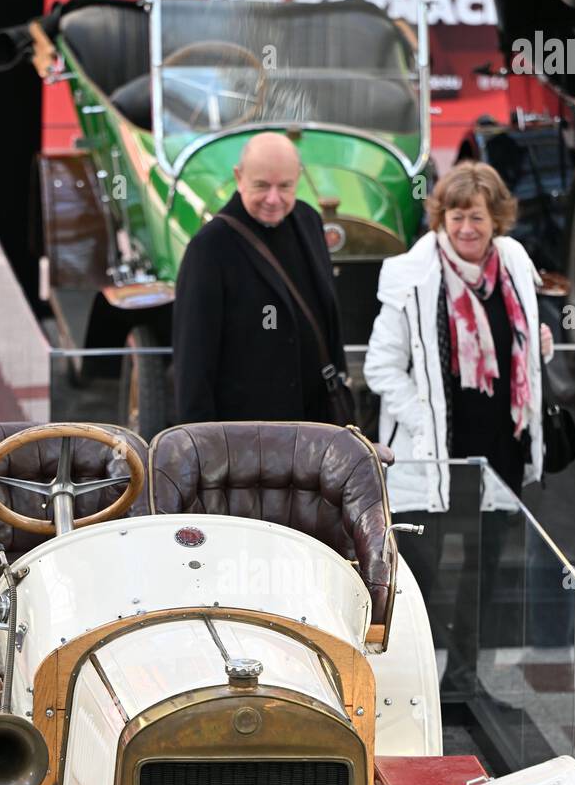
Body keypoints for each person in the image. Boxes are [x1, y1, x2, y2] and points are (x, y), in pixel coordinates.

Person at [364, 160, 554, 697]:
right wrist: (428, 422)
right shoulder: (413, 275)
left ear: (497, 219)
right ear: (440, 218)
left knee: (483, 574)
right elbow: (381, 367)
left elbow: (518, 347)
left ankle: (466, 680)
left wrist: (539, 348)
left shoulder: (514, 265)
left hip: (499, 451)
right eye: (455, 217)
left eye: (476, 217)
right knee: (423, 580)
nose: (466, 229)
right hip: (433, 459)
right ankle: (415, 688)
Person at [173, 132, 347, 424]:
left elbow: (326, 310)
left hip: (316, 426)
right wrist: (200, 445)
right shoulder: (210, 246)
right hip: (247, 435)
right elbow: (193, 360)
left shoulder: (308, 219)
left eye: (285, 186)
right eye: (261, 186)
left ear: (298, 179)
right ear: (239, 177)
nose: (273, 199)